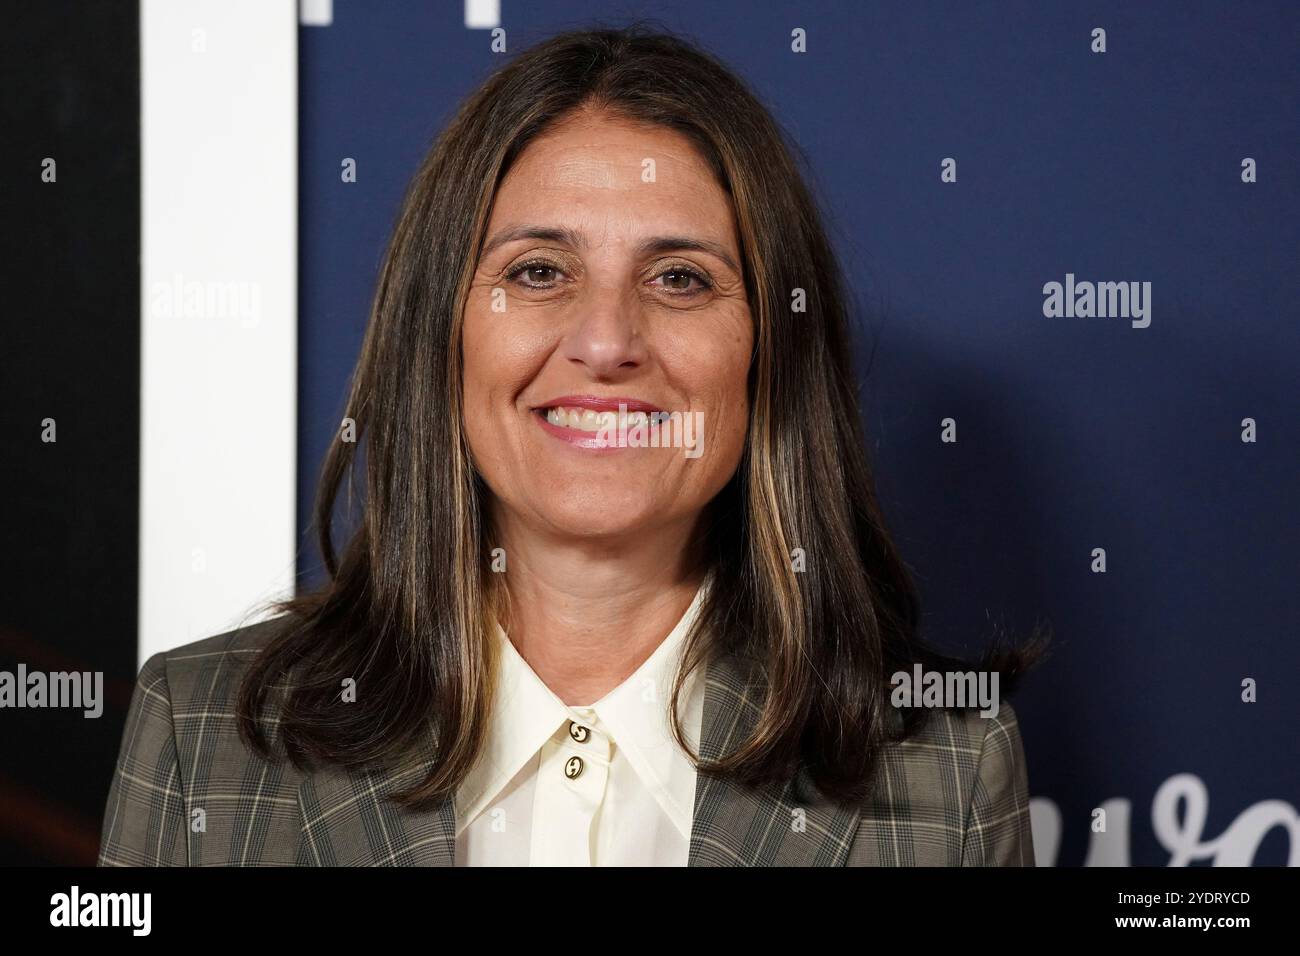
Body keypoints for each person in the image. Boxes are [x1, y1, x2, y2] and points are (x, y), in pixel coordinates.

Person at [98, 25, 1040, 867]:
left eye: (679, 278)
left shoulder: (943, 768)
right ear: (440, 332)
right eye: (538, 272)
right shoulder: (205, 734)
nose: (605, 341)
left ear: (771, 350)